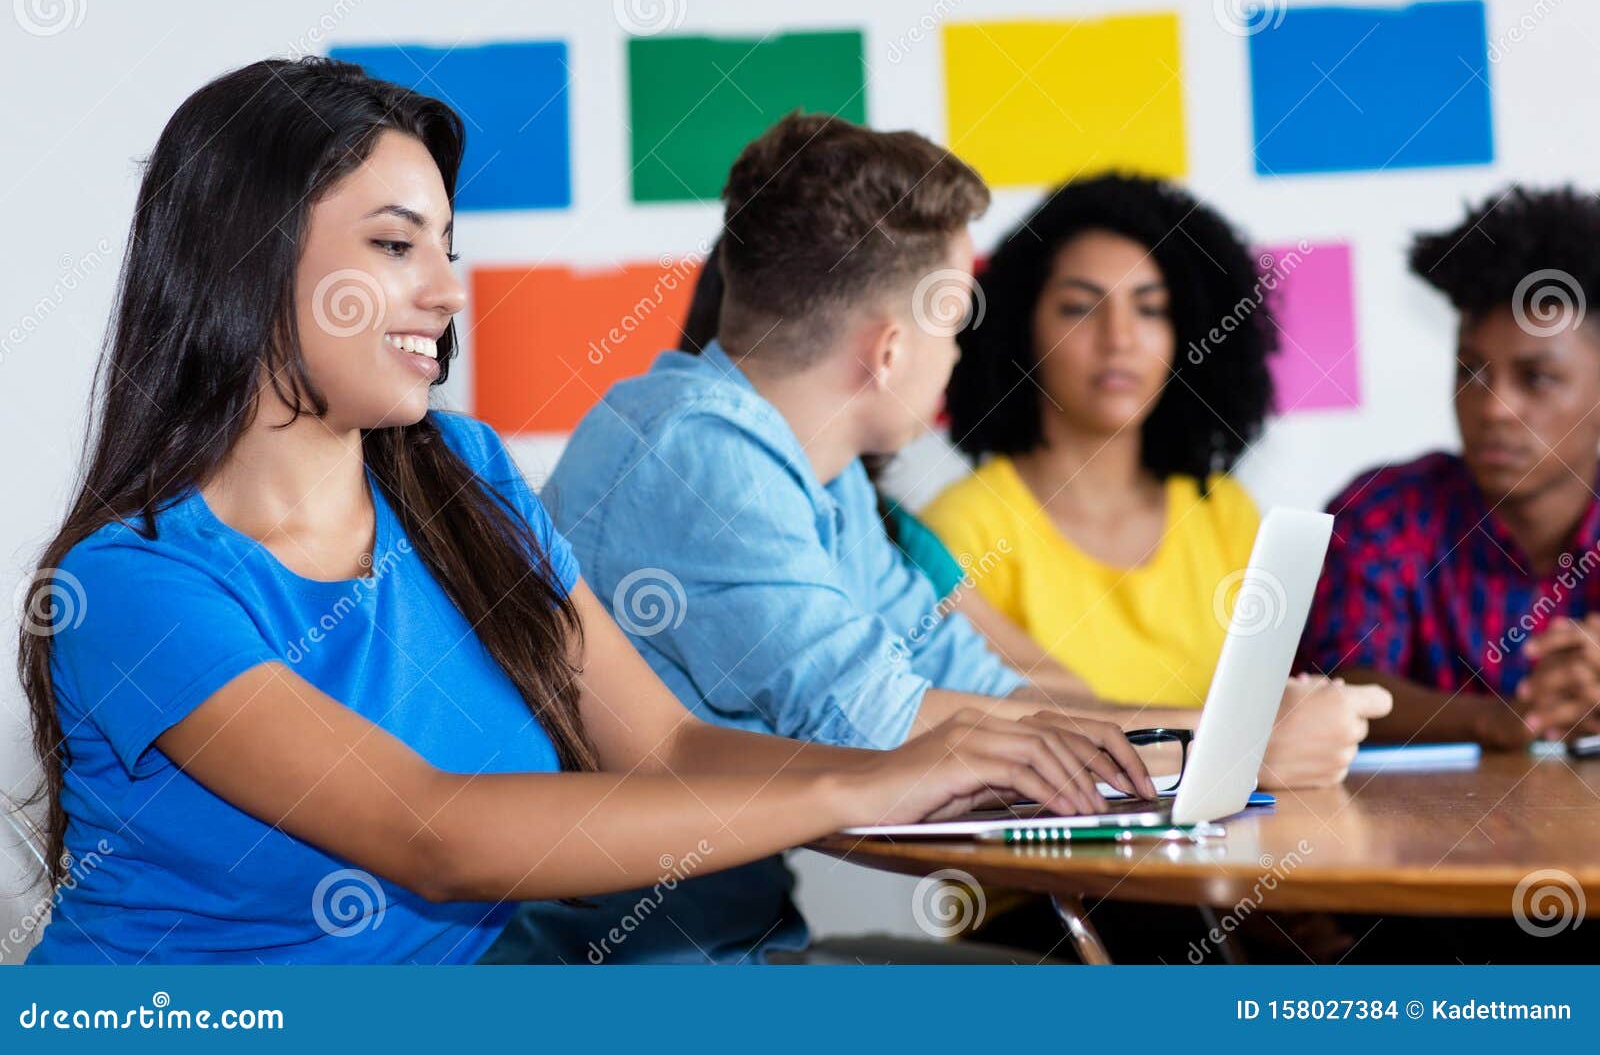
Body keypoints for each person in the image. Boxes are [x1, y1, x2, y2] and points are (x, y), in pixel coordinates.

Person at [14, 60, 1149, 965]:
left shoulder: (466, 477)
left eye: (448, 249)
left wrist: (953, 756)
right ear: (250, 264)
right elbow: (432, 831)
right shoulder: (129, 586)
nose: (450, 291)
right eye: (397, 245)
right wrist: (886, 777)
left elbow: (662, 746)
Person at [501, 115, 1374, 965]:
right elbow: (885, 729)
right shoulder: (698, 455)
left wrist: (1217, 736)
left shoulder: (822, 468)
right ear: (887, 350)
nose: (958, 354)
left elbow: (966, 682)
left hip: (738, 944)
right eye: (953, 320)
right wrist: (1234, 742)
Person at [923, 173, 1391, 785]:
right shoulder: (961, 527)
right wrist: (1247, 744)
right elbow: (1000, 732)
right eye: (1079, 307)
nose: (1118, 338)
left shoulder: (1225, 512)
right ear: (1020, 329)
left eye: (1150, 308)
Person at [676, 237, 1095, 699]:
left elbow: (998, 674)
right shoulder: (712, 500)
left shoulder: (877, 518)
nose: (953, 355)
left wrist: (1161, 734)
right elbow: (846, 714)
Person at [1300, 186, 1600, 749]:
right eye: (1471, 372)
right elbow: (1338, 691)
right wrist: (1501, 719)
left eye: (1536, 378)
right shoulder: (1381, 514)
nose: (1493, 408)